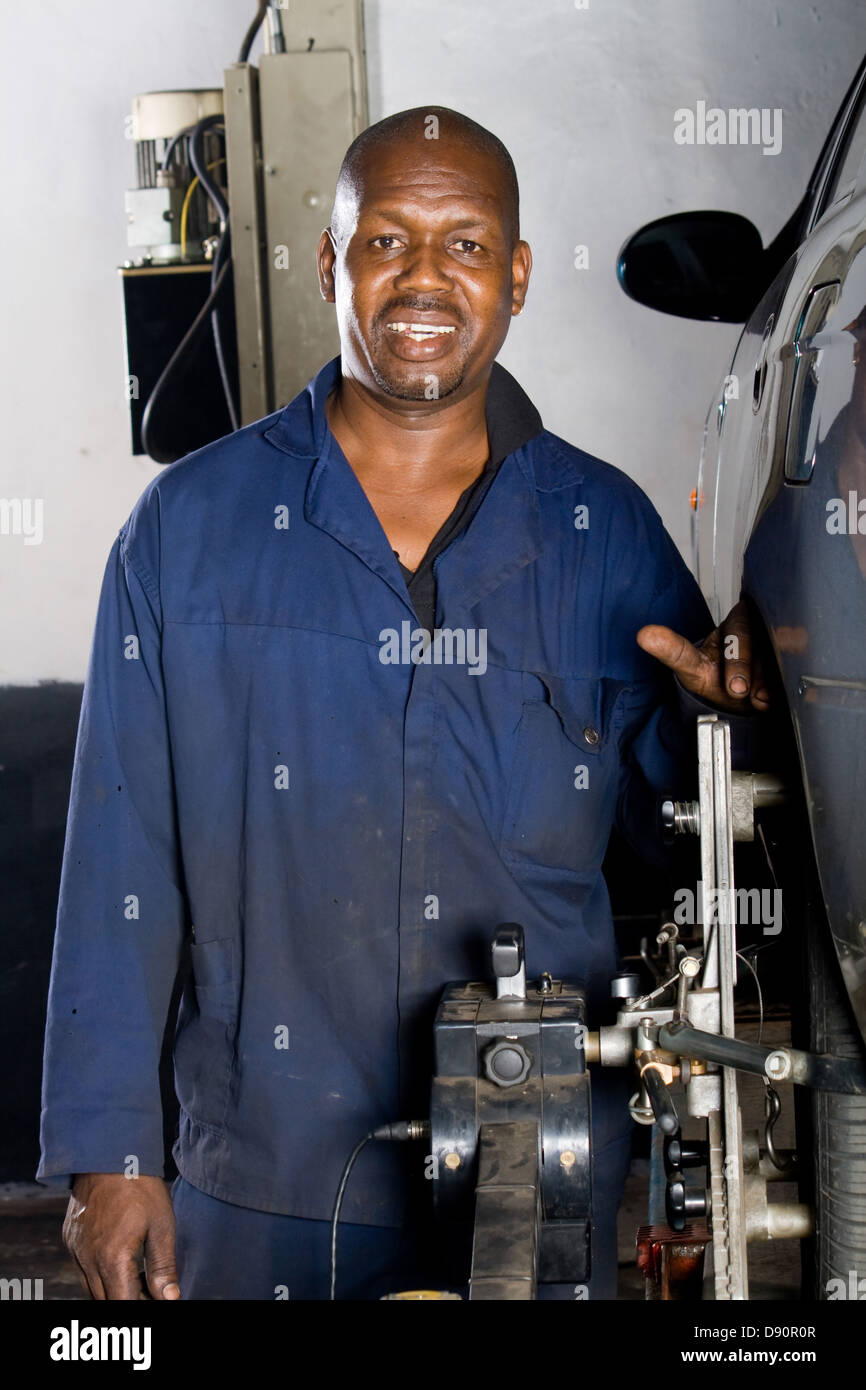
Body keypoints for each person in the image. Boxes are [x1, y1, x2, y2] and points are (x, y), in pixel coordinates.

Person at [38, 106, 767, 1300]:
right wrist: (106, 1148)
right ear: (331, 265)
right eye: (386, 240)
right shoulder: (189, 534)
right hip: (263, 1180)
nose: (426, 275)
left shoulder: (604, 532)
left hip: (535, 1172)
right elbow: (120, 855)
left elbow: (669, 839)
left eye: (467, 243)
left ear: (517, 276)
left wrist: (730, 722)